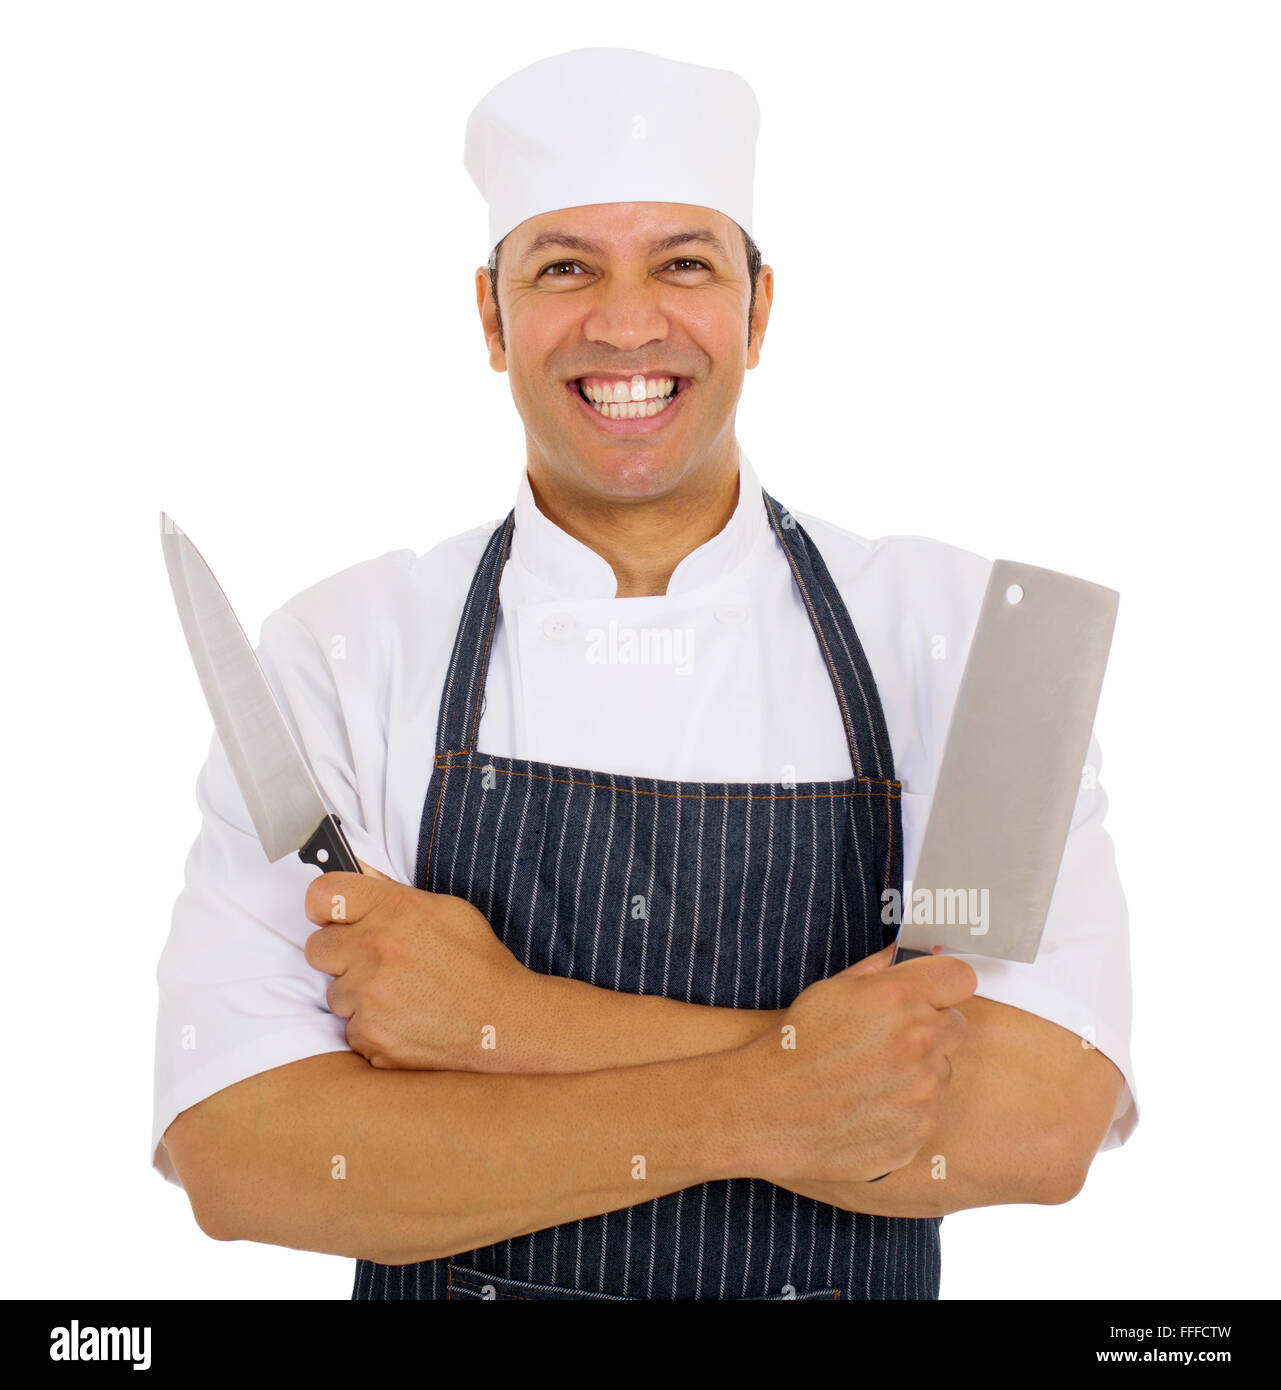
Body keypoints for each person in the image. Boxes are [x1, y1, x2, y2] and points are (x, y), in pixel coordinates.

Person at [153, 46, 1137, 1301]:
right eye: (565, 267)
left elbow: (1041, 1122)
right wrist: (786, 1090)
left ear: (759, 309)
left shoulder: (966, 638)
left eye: (685, 263)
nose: (626, 324)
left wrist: (509, 1026)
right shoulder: (344, 654)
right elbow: (244, 1153)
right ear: (491, 315)